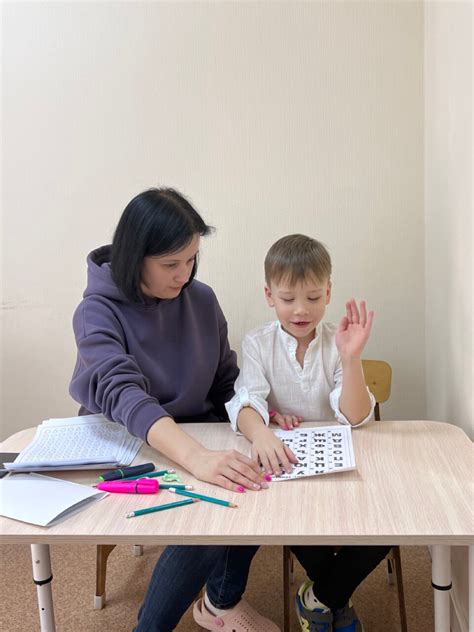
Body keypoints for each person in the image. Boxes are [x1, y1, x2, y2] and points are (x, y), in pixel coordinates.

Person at [69, 187, 280, 632]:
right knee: (207, 520)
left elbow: (226, 381)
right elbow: (124, 396)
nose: (184, 274)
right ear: (134, 257)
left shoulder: (200, 299)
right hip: (125, 446)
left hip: (196, 436)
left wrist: (258, 421)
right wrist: (197, 459)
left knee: (256, 482)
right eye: (170, 264)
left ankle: (220, 603)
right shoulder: (96, 311)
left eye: (191, 260)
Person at [195, 234, 391, 632]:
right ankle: (333, 600)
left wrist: (351, 360)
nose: (301, 310)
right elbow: (245, 401)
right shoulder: (257, 342)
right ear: (269, 296)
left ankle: (320, 596)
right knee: (289, 515)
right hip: (289, 469)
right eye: (288, 299)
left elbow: (354, 417)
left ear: (329, 293)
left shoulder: (336, 342)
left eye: (313, 298)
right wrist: (262, 433)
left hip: (340, 464)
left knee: (391, 521)